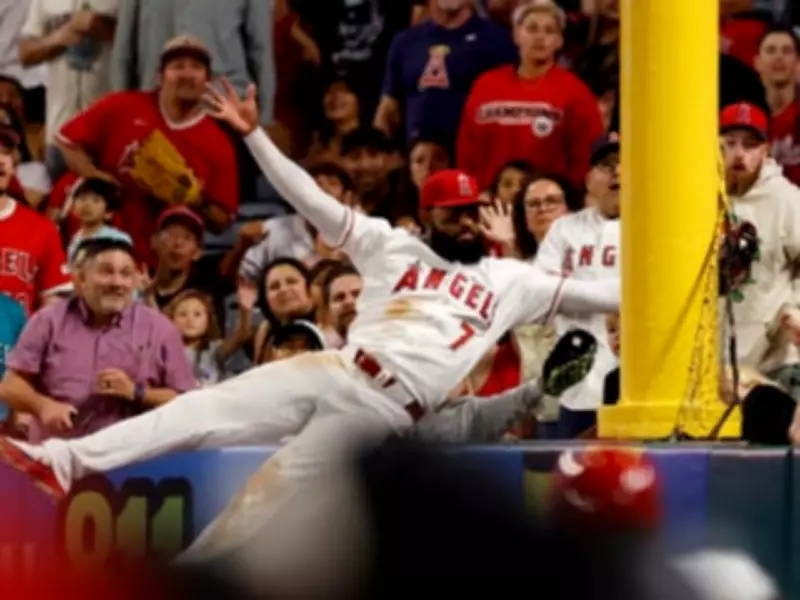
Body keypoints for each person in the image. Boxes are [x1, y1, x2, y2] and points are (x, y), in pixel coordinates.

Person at [0, 79, 620, 514]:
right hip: (338, 368)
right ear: (428, 215)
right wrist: (255, 138)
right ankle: (63, 462)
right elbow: (310, 199)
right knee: (197, 412)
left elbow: (609, 294)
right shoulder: (392, 245)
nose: (463, 222)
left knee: (263, 500)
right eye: (450, 213)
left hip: (384, 409)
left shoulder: (513, 280)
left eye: (469, 211)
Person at [55, 35, 239, 264]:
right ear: (159, 76)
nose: (187, 74)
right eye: (177, 66)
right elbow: (66, 140)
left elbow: (223, 221)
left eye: (196, 67)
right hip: (99, 242)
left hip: (158, 257)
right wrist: (97, 177)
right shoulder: (122, 106)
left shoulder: (218, 142)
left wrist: (194, 199)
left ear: (208, 80)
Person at [0, 238, 197, 443]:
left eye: (126, 274)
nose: (117, 282)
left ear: (136, 280)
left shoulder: (160, 329)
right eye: (106, 271)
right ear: (81, 278)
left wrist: (137, 392)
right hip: (57, 457)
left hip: (135, 460)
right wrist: (44, 406)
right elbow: (10, 386)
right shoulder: (47, 321)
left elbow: (186, 401)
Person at [457, 0, 604, 191]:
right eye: (532, 29)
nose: (540, 37)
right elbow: (467, 150)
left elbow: (586, 157)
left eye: (549, 31)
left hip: (548, 207)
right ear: (516, 35)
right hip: (489, 204)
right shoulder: (485, 86)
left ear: (559, 40)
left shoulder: (576, 92)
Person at [0, 128, 71, 314]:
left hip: (19, 340)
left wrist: (35, 338)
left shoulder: (41, 228)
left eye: (6, 153)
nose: (1, 161)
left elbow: (53, 297)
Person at [65, 177, 131, 265]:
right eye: (82, 199)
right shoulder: (75, 238)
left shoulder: (117, 239)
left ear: (108, 213)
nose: (87, 205)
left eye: (96, 201)